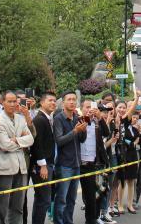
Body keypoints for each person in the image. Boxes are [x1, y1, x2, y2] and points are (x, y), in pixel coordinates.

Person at [0, 91, 34, 224]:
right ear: (3, 102)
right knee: (2, 207)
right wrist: (21, 142)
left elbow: (31, 139)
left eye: (14, 101)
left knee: (18, 206)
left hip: (21, 166)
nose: (12, 104)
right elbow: (4, 145)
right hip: (4, 167)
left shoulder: (21, 118)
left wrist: (15, 140)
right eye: (9, 101)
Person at [53, 92, 88, 224]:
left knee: (72, 199)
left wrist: (83, 130)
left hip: (76, 163)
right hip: (64, 164)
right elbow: (59, 141)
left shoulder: (77, 117)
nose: (72, 102)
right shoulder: (58, 119)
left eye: (74, 99)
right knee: (61, 199)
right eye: (69, 99)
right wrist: (75, 131)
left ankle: (68, 221)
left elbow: (82, 140)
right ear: (63, 102)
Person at [77, 99, 108, 224]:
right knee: (71, 195)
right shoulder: (77, 121)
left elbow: (107, 133)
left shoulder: (96, 122)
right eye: (87, 107)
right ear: (81, 109)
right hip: (78, 163)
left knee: (92, 195)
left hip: (93, 163)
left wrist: (100, 118)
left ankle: (91, 220)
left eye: (92, 106)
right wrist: (85, 121)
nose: (90, 109)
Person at [30, 92, 57, 224]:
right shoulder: (39, 119)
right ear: (41, 102)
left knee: (42, 199)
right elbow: (37, 144)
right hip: (42, 165)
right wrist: (43, 165)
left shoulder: (47, 118)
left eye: (54, 101)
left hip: (48, 163)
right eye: (50, 100)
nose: (53, 103)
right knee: (44, 200)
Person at [117, 107, 141, 214]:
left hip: (133, 155)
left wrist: (134, 143)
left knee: (132, 181)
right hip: (125, 155)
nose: (135, 119)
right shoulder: (123, 127)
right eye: (133, 117)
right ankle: (120, 204)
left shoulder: (135, 130)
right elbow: (126, 141)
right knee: (123, 181)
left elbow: (138, 139)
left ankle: (130, 204)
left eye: (137, 118)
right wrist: (132, 143)